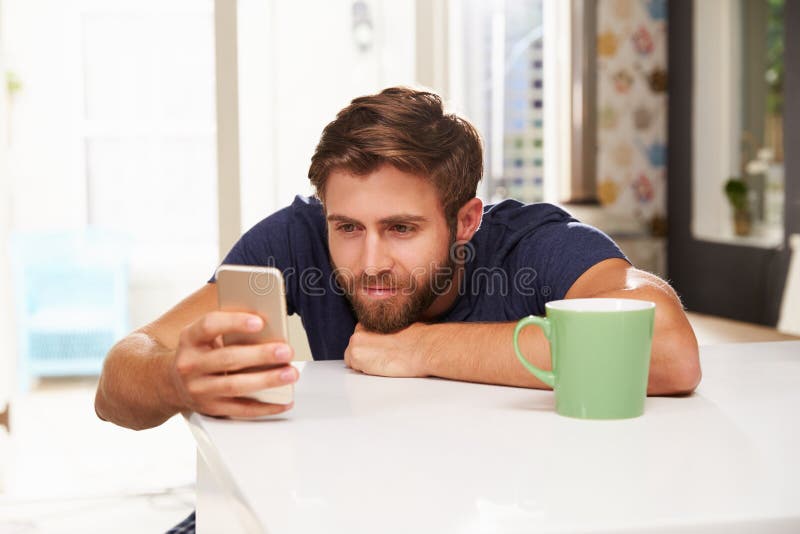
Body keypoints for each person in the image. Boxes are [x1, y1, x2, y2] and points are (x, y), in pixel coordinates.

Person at [94, 87, 701, 533]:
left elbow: (672, 353)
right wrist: (174, 379)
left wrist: (422, 348)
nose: (371, 260)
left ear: (465, 220)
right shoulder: (294, 239)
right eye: (348, 227)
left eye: (402, 228)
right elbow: (118, 380)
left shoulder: (531, 244)